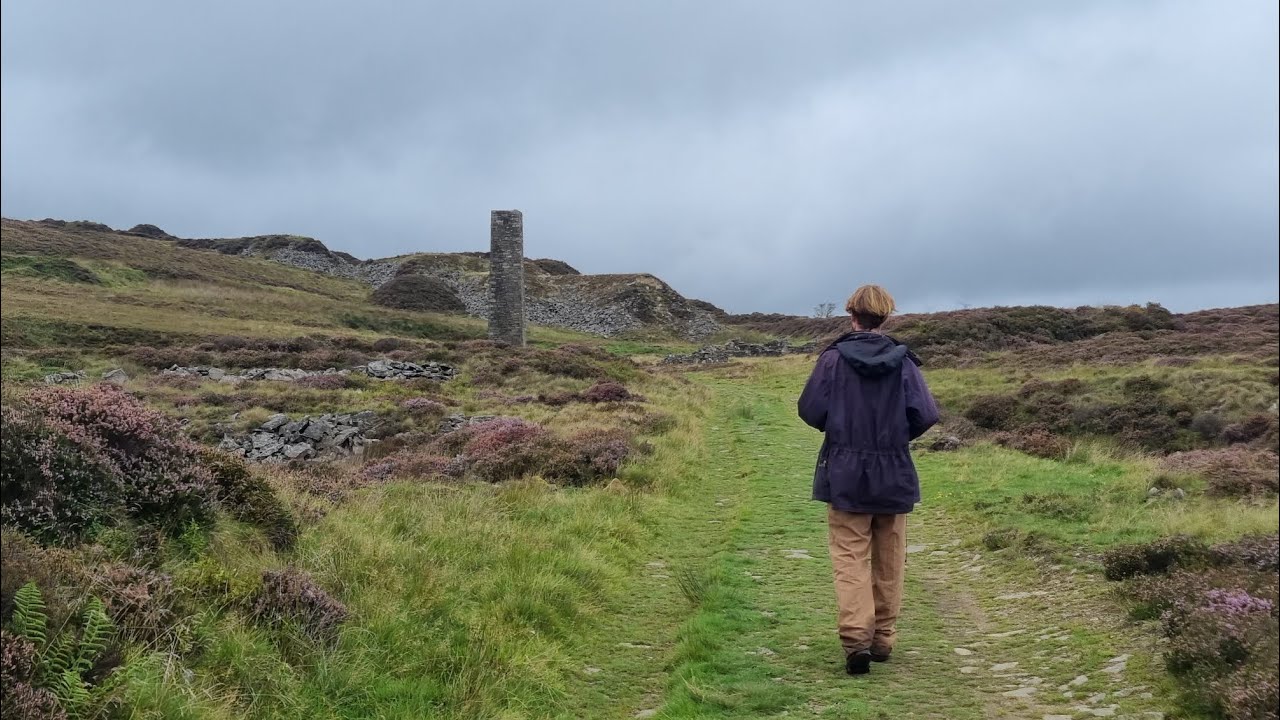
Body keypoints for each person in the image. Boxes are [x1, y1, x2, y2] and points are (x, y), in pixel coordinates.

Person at [797, 284, 940, 676]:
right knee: (890, 560)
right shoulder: (904, 362)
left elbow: (810, 409)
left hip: (844, 473)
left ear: (852, 314)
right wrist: (895, 438)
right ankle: (882, 640)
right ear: (886, 316)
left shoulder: (832, 360)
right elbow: (925, 414)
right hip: (893, 472)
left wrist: (840, 430)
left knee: (850, 559)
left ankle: (856, 641)